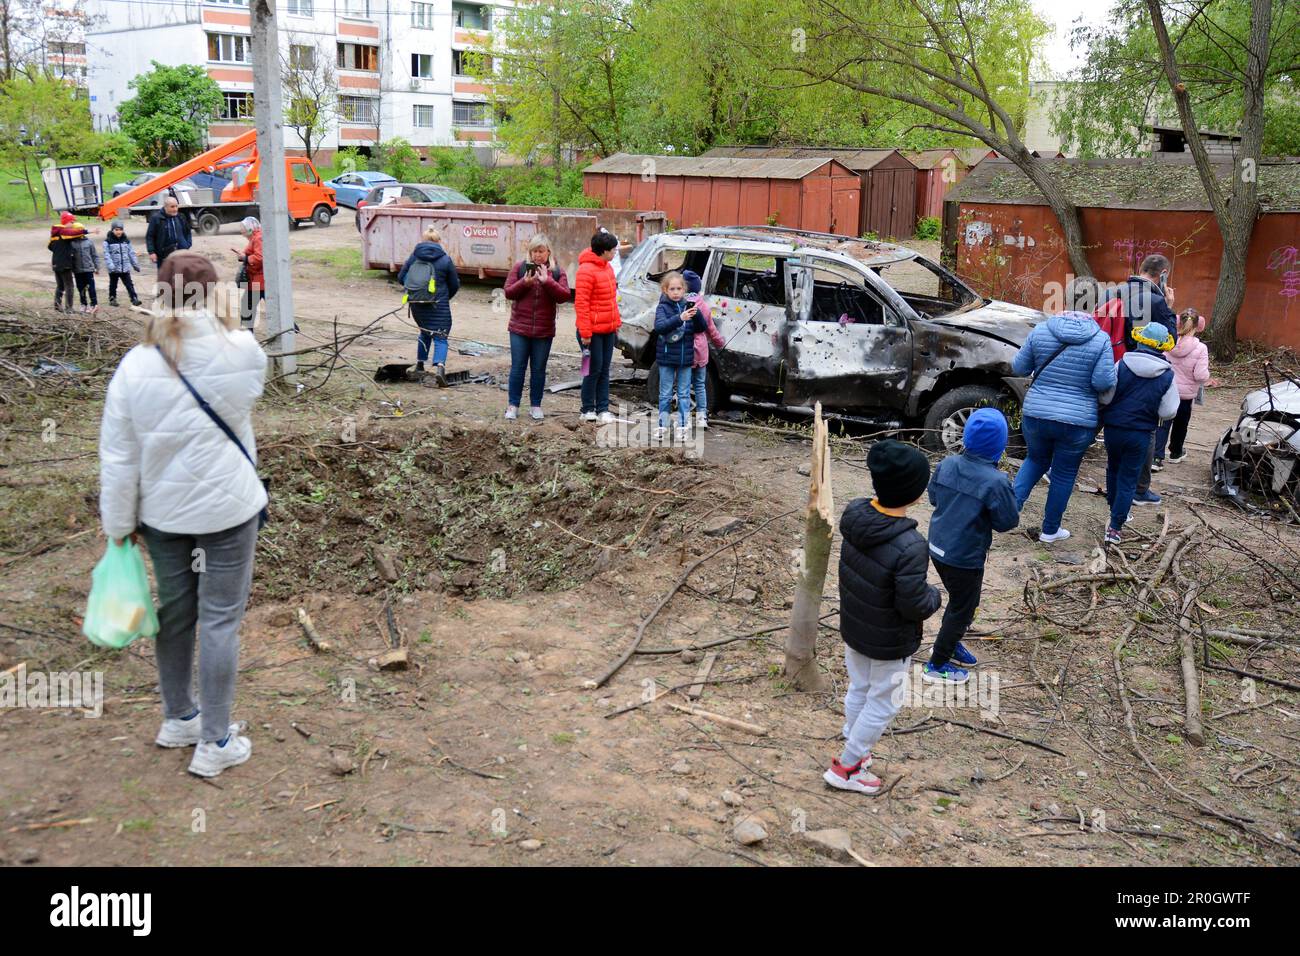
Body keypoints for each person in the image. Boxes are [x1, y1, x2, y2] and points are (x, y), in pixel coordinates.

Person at [98, 251, 267, 778]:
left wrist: (119, 529)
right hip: (229, 510)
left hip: (163, 515)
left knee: (175, 615)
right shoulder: (243, 351)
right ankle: (215, 742)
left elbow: (119, 457)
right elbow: (244, 401)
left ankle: (179, 719)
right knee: (220, 621)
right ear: (215, 293)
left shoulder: (134, 365)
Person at [826, 440, 941, 795]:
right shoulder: (910, 545)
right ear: (916, 494)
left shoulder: (856, 518)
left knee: (859, 687)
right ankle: (846, 767)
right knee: (884, 701)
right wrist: (934, 598)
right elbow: (912, 603)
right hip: (888, 640)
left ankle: (855, 743)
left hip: (855, 629)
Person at [924, 408, 1019, 685]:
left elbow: (933, 497)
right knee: (962, 607)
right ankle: (938, 662)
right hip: (964, 556)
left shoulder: (948, 464)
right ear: (1000, 446)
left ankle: (950, 643)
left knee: (962, 601)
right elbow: (1006, 522)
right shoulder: (997, 481)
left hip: (938, 545)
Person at [1011, 310, 1117, 543]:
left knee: (1034, 460)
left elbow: (1018, 367)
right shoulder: (1100, 340)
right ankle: (1050, 530)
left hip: (1037, 413)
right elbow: (1103, 382)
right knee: (1063, 473)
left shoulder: (1040, 330)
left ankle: (1006, 514)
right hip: (1077, 420)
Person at [1106, 253, 1179, 502]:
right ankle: (1139, 488)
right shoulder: (1157, 301)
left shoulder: (1115, 291)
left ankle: (1062, 463)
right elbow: (1170, 340)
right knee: (1145, 427)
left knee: (1107, 416)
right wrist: (1169, 307)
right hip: (1144, 369)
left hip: (1113, 361)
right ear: (1163, 274)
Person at [1099, 323, 1179, 545]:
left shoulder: (1122, 364)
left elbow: (1106, 396)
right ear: (1163, 346)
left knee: (1113, 468)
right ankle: (1115, 527)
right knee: (1129, 478)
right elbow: (1169, 410)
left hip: (1114, 428)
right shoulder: (1167, 375)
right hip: (1141, 433)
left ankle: (1114, 508)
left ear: (1140, 340)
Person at [503, 233, 570, 420]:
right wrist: (524, 283)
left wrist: (548, 282)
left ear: (548, 252)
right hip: (519, 327)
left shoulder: (557, 271)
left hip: (544, 329)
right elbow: (508, 292)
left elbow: (564, 296)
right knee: (517, 367)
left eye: (541, 251)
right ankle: (513, 405)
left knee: (539, 369)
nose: (537, 255)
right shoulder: (520, 267)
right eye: (534, 251)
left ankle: (536, 405)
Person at [397, 226, 460, 386]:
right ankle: (439, 367)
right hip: (438, 304)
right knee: (440, 335)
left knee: (424, 332)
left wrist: (414, 291)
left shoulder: (414, 257)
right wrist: (445, 297)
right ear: (438, 241)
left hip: (417, 304)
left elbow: (401, 277)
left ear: (423, 241)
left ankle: (420, 365)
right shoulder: (445, 259)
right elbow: (454, 284)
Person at [574, 229, 621, 423]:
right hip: (592, 331)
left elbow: (611, 300)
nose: (616, 253)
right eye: (613, 250)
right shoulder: (586, 271)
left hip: (607, 329)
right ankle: (587, 408)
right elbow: (582, 304)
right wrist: (585, 333)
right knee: (593, 369)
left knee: (604, 369)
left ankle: (603, 408)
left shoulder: (607, 268)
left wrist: (616, 323)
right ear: (603, 251)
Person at [1154, 309, 1211, 470]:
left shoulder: (1167, 342)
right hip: (1185, 396)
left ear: (1178, 322)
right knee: (1181, 424)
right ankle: (1175, 452)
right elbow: (1200, 375)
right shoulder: (1201, 348)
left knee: (1163, 423)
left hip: (1166, 390)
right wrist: (1207, 376)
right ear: (1198, 326)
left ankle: (1156, 458)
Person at [653, 271, 704, 439]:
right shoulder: (662, 307)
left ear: (684, 290)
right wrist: (679, 318)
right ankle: (662, 426)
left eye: (679, 289)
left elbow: (700, 329)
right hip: (666, 358)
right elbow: (660, 327)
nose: (676, 292)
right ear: (665, 290)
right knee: (665, 394)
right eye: (672, 289)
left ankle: (683, 426)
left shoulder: (688, 305)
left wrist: (697, 315)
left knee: (683, 394)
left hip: (685, 359)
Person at [684, 269, 724, 429]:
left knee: (684, 386)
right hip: (700, 352)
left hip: (685, 352)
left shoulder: (680, 303)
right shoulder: (704, 307)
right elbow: (711, 329)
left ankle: (685, 417)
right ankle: (702, 417)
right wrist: (720, 343)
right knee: (700, 384)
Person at [48, 211, 84, 312]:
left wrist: (59, 251)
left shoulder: (55, 234)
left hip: (55, 263)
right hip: (65, 264)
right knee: (69, 286)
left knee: (60, 285)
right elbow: (74, 233)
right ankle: (69, 308)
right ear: (66, 222)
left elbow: (50, 246)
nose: (72, 224)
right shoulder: (64, 233)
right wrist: (87, 231)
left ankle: (57, 305)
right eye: (72, 222)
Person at [233, 217, 264, 331]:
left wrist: (245, 257)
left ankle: (247, 335)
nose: (242, 234)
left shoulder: (258, 238)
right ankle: (290, 325)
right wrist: (243, 255)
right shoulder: (255, 237)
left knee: (247, 306)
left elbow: (260, 258)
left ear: (250, 229)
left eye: (243, 230)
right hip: (257, 279)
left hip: (259, 279)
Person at [103, 221, 143, 308]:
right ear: (112, 230)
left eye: (120, 230)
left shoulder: (126, 241)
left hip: (125, 268)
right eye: (116, 230)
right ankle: (112, 299)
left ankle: (134, 299)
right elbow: (106, 255)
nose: (119, 232)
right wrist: (111, 265)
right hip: (114, 268)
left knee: (129, 284)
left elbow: (131, 253)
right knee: (113, 284)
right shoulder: (108, 241)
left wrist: (135, 264)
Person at [145, 196, 193, 269]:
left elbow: (188, 231)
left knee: (179, 276)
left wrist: (188, 244)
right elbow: (150, 236)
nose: (175, 209)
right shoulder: (157, 219)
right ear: (165, 207)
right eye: (172, 207)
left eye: (176, 206)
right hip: (163, 255)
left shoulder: (181, 217)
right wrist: (151, 252)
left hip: (180, 253)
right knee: (165, 277)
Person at [70, 228, 101, 315]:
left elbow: (94, 255)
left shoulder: (89, 242)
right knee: (81, 288)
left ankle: (94, 304)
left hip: (88, 269)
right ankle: (83, 304)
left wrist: (97, 267)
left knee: (91, 288)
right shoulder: (71, 243)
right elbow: (70, 258)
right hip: (78, 270)